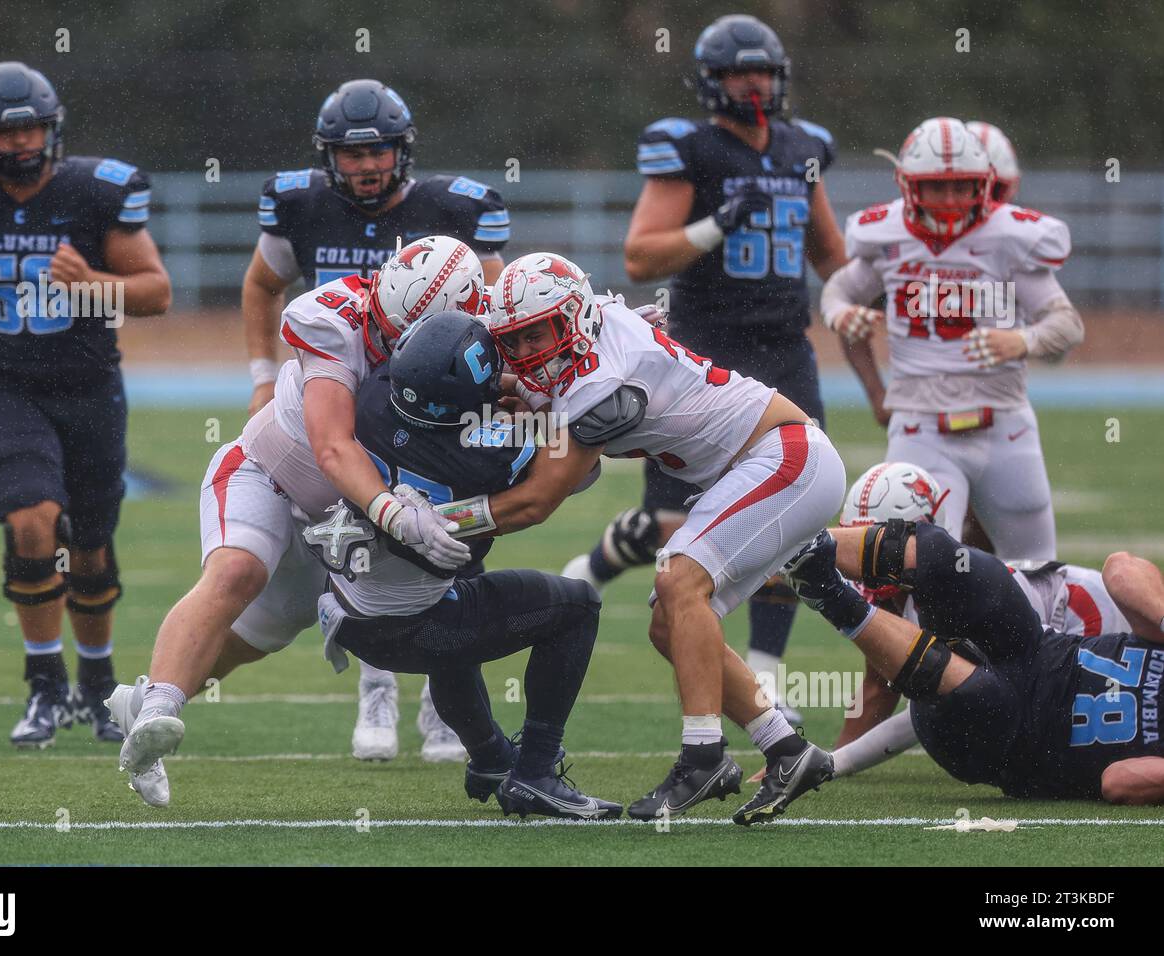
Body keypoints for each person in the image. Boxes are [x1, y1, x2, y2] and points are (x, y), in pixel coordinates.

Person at [450, 251, 846, 823]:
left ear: (573, 318)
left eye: (538, 333)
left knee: (680, 583)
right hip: (762, 463)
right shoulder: (595, 329)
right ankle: (787, 749)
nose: (527, 352)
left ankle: (702, 756)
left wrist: (438, 519)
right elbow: (558, 399)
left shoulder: (598, 378)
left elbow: (540, 500)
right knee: (670, 621)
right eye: (515, 339)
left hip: (783, 457)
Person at [106, 237, 485, 806]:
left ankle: (147, 699)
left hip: (338, 518)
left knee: (255, 639)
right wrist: (391, 512)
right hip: (266, 469)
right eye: (380, 321)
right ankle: (155, 717)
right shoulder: (333, 317)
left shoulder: (466, 339)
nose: (381, 339)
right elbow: (332, 447)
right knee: (236, 574)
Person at [561, 14, 848, 718]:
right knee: (673, 526)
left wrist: (856, 303)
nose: (752, 84)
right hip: (704, 354)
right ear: (711, 83)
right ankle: (607, 557)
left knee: (788, 523)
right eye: (737, 73)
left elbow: (831, 256)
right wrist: (719, 223)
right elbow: (640, 256)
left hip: (783, 348)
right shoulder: (690, 149)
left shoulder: (804, 147)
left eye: (761, 71)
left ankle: (763, 667)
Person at [0, 62, 172, 746]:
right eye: (5, 132)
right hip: (2, 385)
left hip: (87, 387)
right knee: (30, 521)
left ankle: (99, 686)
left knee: (89, 541)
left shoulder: (94, 192)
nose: (20, 144)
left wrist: (92, 285)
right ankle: (44, 688)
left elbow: (155, 293)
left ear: (52, 131)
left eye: (31, 130)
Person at [241, 79, 511, 763]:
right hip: (348, 404)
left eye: (379, 152)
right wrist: (263, 378)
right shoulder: (301, 205)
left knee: (458, 534)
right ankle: (376, 684)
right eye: (350, 154)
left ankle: (445, 700)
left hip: (443, 406)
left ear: (404, 150)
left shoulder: (456, 208)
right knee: (351, 537)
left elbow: (495, 311)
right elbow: (261, 285)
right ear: (329, 156)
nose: (365, 166)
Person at [303, 311, 619, 818]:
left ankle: (492, 758)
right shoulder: (490, 451)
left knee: (461, 583)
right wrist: (549, 390)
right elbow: (580, 472)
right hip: (416, 628)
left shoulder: (371, 398)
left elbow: (441, 389)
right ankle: (535, 772)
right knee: (577, 605)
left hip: (347, 607)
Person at [820, 116, 1083, 561]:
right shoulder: (890, 238)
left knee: (1036, 568)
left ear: (983, 185)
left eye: (962, 187)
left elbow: (1068, 325)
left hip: (1004, 422)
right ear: (908, 186)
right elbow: (838, 289)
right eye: (936, 188)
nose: (950, 200)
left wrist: (1021, 341)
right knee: (921, 569)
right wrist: (841, 313)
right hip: (922, 426)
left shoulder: (1007, 237)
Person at [784, 519, 1164, 804]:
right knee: (947, 556)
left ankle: (830, 597)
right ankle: (798, 548)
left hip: (1016, 740)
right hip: (1032, 648)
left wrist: (837, 762)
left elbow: (1117, 781)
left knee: (978, 694)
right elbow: (1121, 567)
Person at [825, 461, 1133, 779]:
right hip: (1059, 639)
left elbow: (939, 698)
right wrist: (831, 756)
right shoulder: (910, 592)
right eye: (857, 535)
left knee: (1046, 747)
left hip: (1092, 625)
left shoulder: (951, 595)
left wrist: (837, 763)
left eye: (877, 537)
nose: (863, 549)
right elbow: (881, 683)